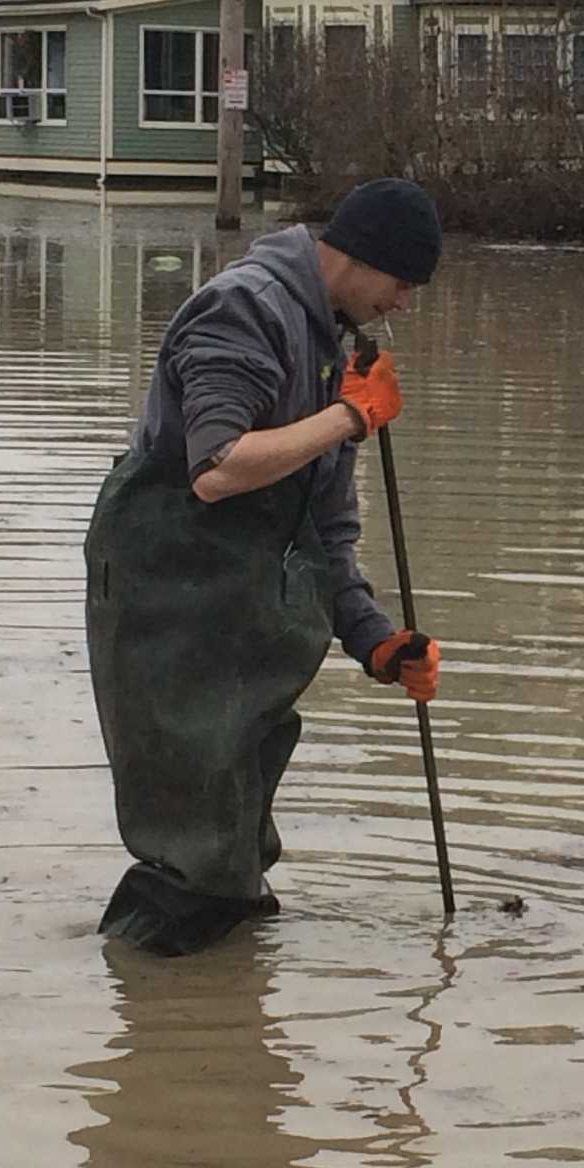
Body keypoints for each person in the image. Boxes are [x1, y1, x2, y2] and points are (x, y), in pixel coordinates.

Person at [84, 178, 445, 956]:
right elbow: (217, 465)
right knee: (191, 838)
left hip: (239, 601)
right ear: (364, 256)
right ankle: (157, 1024)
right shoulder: (244, 310)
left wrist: (376, 642)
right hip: (165, 592)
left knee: (235, 832)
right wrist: (349, 417)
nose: (405, 303)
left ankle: (211, 1026)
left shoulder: (332, 350)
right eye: (404, 283)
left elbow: (325, 530)